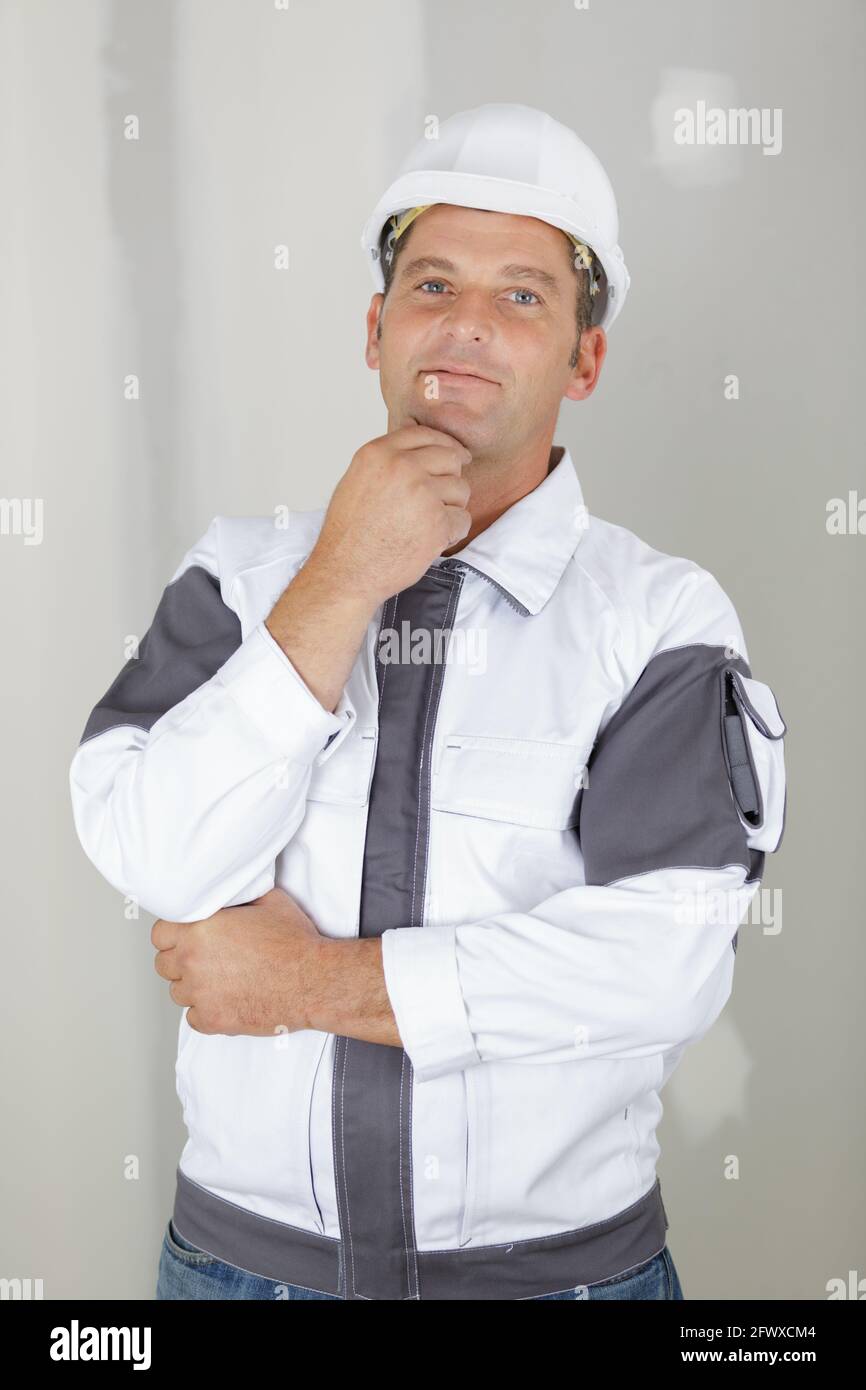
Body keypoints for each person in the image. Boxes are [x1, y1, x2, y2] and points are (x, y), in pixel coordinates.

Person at [69, 103, 787, 1301]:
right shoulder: (240, 576)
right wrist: (340, 578)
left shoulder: (658, 621)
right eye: (431, 283)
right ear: (375, 326)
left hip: (557, 1285)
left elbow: (657, 964)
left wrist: (299, 984)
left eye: (521, 297)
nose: (463, 325)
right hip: (238, 1275)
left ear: (582, 358)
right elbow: (148, 848)